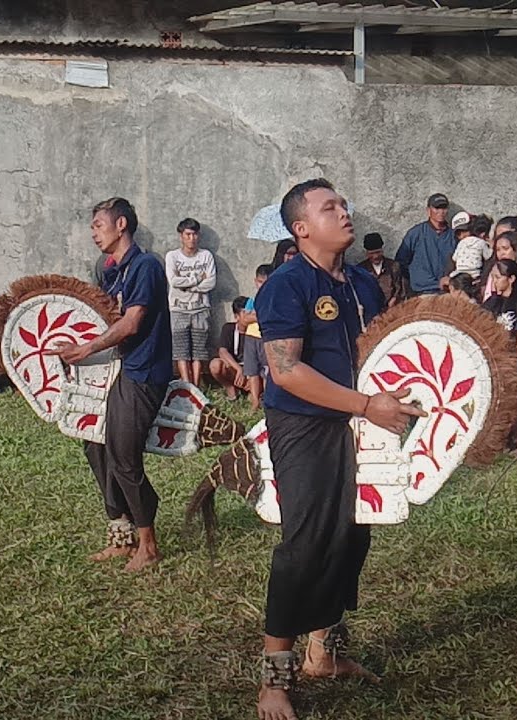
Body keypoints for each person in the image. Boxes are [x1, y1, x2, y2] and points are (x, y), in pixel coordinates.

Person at [254, 179, 425, 720]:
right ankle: (274, 677)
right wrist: (365, 405)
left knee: (353, 535)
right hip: (304, 426)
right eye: (329, 207)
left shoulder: (362, 283)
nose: (344, 213)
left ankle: (323, 653)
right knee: (305, 544)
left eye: (344, 204)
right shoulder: (285, 285)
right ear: (301, 228)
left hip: (360, 419)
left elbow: (377, 351)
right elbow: (285, 371)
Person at [49, 197, 173, 573]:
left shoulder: (146, 266)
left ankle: (148, 545)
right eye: (92, 228)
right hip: (115, 368)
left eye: (98, 226)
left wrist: (84, 349)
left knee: (123, 456)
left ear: (122, 225)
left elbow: (131, 323)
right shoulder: (111, 270)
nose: (93, 234)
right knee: (95, 447)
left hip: (142, 372)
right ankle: (121, 535)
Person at [165, 217, 217, 387]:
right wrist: (197, 278)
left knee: (199, 351)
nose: (191, 238)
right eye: (188, 234)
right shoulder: (172, 256)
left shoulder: (206, 256)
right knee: (181, 350)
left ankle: (196, 386)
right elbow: (173, 281)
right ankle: (186, 386)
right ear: (181, 235)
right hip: (178, 309)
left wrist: (188, 286)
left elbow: (211, 283)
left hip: (200, 308)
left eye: (194, 234)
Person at [395, 193, 456, 296]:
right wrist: (417, 278)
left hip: (447, 292)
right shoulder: (416, 233)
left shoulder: (453, 236)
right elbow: (400, 262)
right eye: (437, 208)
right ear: (428, 210)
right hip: (422, 292)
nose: (441, 212)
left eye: (444, 208)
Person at [482, 260, 517, 355]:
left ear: (511, 278)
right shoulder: (492, 302)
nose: (494, 281)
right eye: (493, 277)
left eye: (498, 277)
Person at [242, 264, 274, 412]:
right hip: (251, 337)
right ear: (255, 281)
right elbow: (244, 319)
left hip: (265, 338)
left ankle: (268, 401)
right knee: (252, 371)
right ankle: (255, 401)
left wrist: (255, 316)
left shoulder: (273, 298)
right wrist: (258, 316)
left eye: (266, 282)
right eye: (260, 282)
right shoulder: (252, 301)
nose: (262, 285)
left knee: (268, 371)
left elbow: (268, 316)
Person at [209, 296, 250, 401]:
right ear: (237, 316)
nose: (250, 316)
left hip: (252, 370)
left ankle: (251, 391)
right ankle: (230, 387)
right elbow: (223, 351)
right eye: (246, 313)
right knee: (215, 365)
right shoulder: (228, 328)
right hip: (236, 368)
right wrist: (238, 368)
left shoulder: (256, 330)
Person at [356, 232, 406, 308]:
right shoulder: (360, 270)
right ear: (366, 253)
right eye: (372, 253)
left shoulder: (393, 266)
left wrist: (395, 299)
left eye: (378, 252)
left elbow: (400, 289)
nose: (375, 256)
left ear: (382, 251)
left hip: (392, 309)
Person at [450, 214, 494, 286]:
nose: (463, 235)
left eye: (465, 231)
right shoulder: (481, 243)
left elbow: (454, 258)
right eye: (458, 234)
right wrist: (492, 248)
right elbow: (488, 256)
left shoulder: (461, 243)